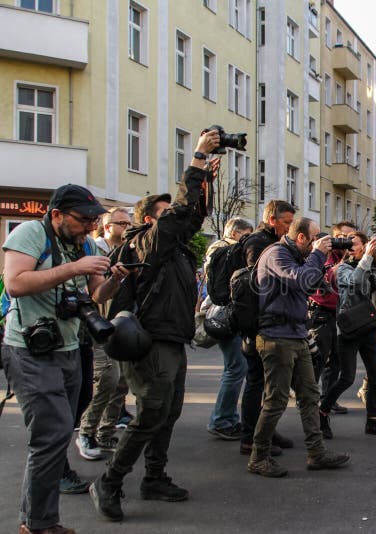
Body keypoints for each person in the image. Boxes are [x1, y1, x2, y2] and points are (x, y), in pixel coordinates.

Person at [90, 130, 220, 522]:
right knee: (150, 413)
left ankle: (154, 477)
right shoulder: (146, 241)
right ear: (151, 218)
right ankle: (109, 482)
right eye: (166, 213)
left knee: (168, 412)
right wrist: (197, 157)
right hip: (149, 341)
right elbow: (182, 212)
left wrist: (207, 184)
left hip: (171, 339)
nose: (176, 217)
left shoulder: (172, 246)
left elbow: (193, 215)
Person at [2, 183, 129, 534]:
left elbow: (96, 294)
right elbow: (14, 283)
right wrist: (73, 269)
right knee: (51, 434)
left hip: (71, 347)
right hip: (30, 350)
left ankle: (36, 520)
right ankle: (39, 524)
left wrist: (114, 281)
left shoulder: (84, 244)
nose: (91, 226)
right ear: (57, 214)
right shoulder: (30, 233)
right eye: (84, 219)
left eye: (94, 219)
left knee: (59, 430)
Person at [247, 217, 349, 477]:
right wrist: (317, 255)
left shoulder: (296, 256)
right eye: (315, 237)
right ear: (301, 237)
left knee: (309, 395)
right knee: (276, 400)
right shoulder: (276, 255)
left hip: (296, 334)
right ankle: (258, 456)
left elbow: (312, 282)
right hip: (275, 336)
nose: (319, 242)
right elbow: (302, 281)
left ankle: (316, 453)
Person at [319, 233, 376, 438]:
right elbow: (355, 282)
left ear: (364, 246)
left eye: (356, 244)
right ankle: (322, 413)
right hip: (349, 330)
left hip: (369, 328)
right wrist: (367, 258)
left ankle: (372, 421)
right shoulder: (343, 268)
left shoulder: (374, 267)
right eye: (349, 245)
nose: (351, 247)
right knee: (347, 378)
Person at [238, 200, 297, 456]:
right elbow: (255, 284)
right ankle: (250, 437)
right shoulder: (257, 243)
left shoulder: (272, 242)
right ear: (272, 220)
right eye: (286, 222)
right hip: (256, 322)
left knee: (267, 382)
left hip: (265, 321)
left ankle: (266, 430)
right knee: (255, 380)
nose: (289, 227)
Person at [75, 208, 134, 461]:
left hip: (120, 325)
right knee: (108, 379)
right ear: (108, 226)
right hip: (96, 327)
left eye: (130, 222)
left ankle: (106, 431)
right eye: (123, 223)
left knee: (121, 381)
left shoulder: (128, 251)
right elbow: (94, 295)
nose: (128, 227)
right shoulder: (93, 249)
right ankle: (86, 431)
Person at [205, 217, 254, 440]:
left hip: (226, 313)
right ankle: (222, 420)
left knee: (235, 367)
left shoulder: (219, 248)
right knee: (236, 368)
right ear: (235, 233)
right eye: (246, 235)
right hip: (228, 314)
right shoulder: (225, 249)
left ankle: (227, 418)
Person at [310, 220, 356, 417]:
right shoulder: (324, 255)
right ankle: (309, 400)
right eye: (343, 237)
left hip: (338, 313)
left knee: (335, 360)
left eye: (351, 237)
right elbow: (321, 283)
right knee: (318, 359)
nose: (347, 241)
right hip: (320, 312)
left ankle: (327, 399)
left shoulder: (346, 258)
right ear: (334, 237)